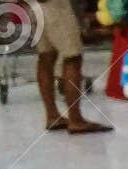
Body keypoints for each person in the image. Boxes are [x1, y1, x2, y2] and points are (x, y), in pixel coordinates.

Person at [36, 0, 111, 133]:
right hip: (55, 5)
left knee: (46, 55)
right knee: (72, 56)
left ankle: (52, 115)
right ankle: (76, 120)